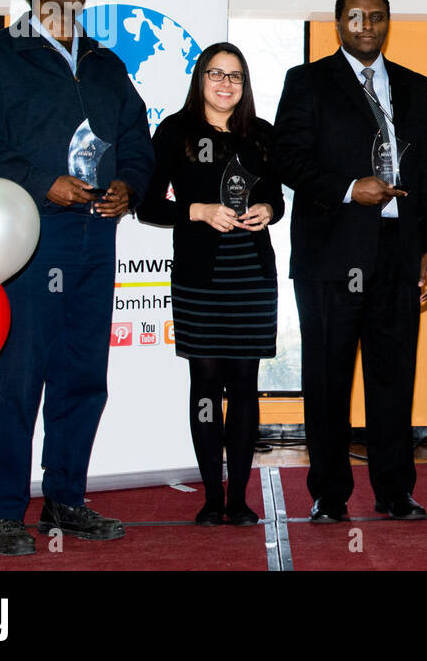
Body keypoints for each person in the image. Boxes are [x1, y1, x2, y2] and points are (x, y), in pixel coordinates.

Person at [0, 0, 153, 556]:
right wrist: (44, 184)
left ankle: (66, 500)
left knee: (83, 375)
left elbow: (137, 139)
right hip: (33, 236)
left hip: (97, 234)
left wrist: (131, 185)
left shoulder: (105, 62)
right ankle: (4, 513)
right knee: (23, 376)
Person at [273, 0, 427, 523]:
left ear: (387, 22)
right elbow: (286, 159)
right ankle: (329, 494)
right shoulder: (307, 82)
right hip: (332, 253)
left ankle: (395, 491)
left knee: (392, 378)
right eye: (355, 17)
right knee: (328, 378)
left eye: (376, 17)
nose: (366, 26)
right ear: (338, 23)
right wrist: (350, 187)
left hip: (398, 251)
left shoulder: (415, 87)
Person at [137, 43, 283, 527]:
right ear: (200, 79)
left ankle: (239, 498)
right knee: (204, 386)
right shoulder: (175, 132)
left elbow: (276, 199)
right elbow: (148, 206)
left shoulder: (260, 135)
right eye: (216, 74)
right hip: (201, 279)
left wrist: (267, 210)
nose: (226, 84)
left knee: (245, 388)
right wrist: (196, 211)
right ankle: (211, 498)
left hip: (252, 278)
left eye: (236, 77)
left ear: (245, 86)